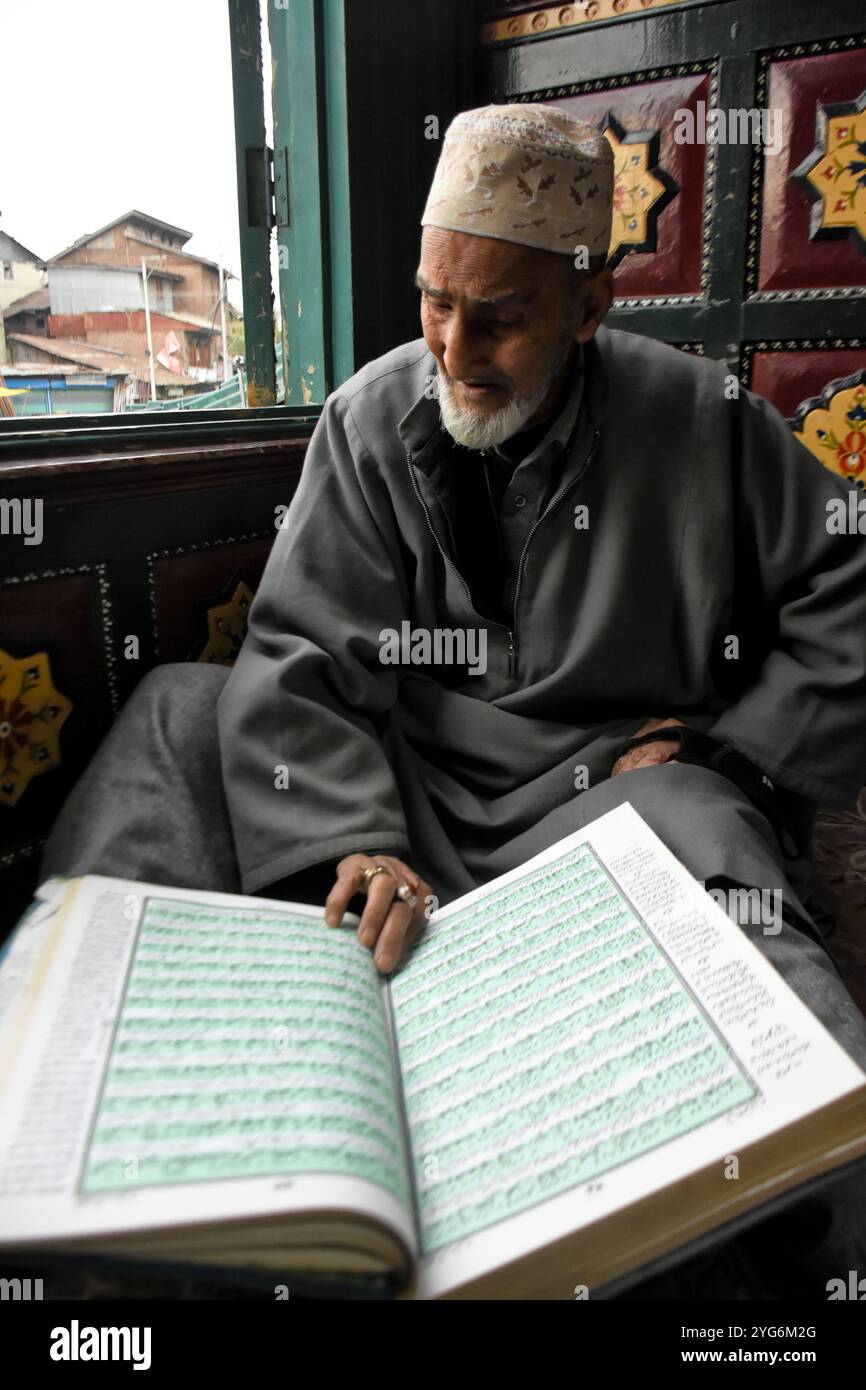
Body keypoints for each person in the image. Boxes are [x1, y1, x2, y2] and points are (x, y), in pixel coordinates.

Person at [42, 104, 866, 1299]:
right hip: (405, 778)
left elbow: (847, 580)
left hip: (607, 798)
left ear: (589, 307)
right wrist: (352, 835)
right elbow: (302, 646)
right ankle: (68, 1138)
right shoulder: (368, 417)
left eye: (499, 317)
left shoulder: (700, 417)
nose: (452, 349)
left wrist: (743, 757)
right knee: (179, 708)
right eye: (433, 300)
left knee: (714, 840)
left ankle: (822, 1218)